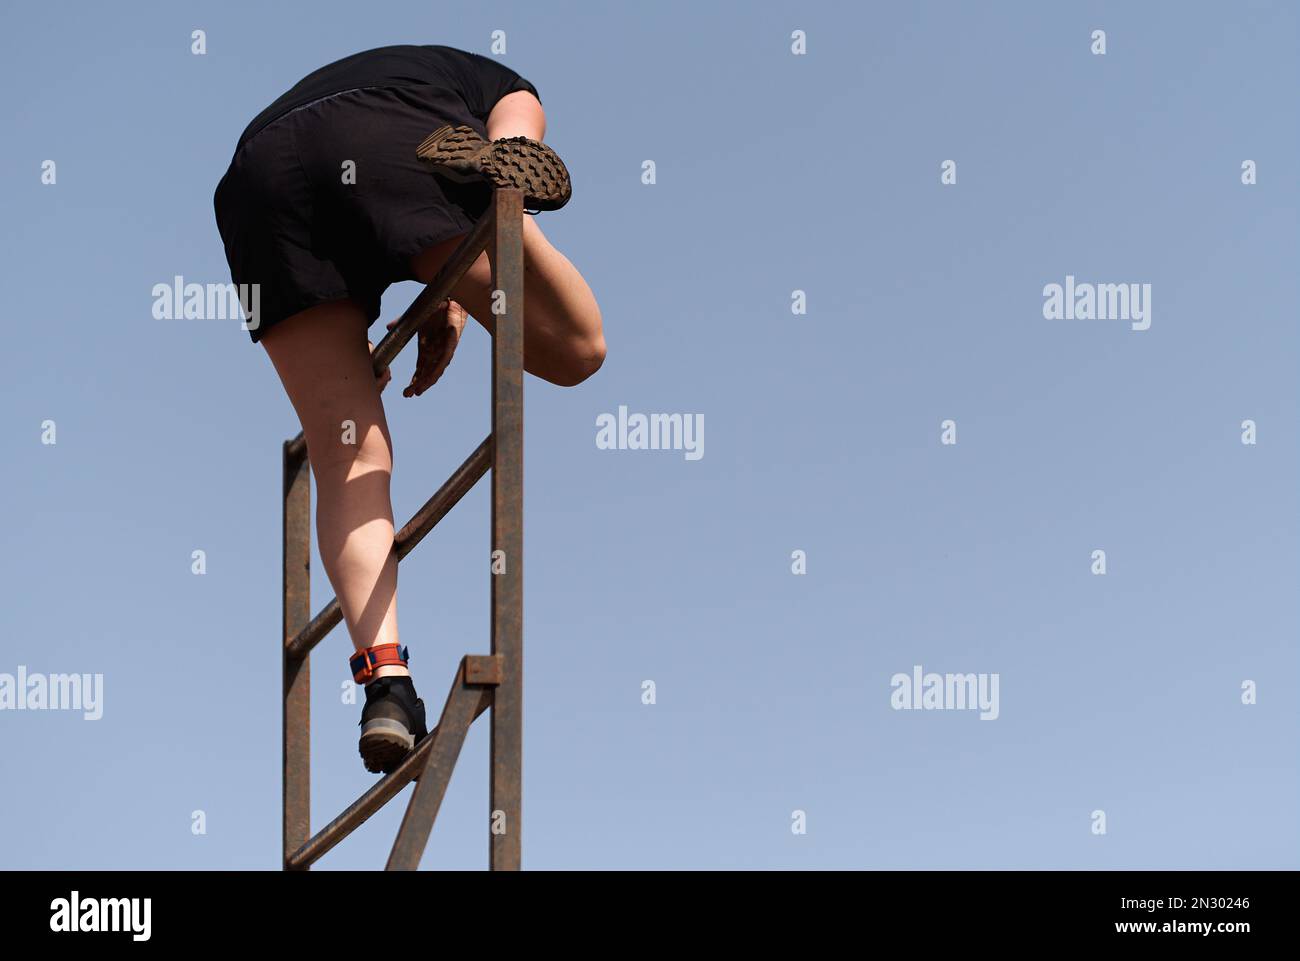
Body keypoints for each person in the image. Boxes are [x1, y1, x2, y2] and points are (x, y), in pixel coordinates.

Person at [213, 44, 605, 773]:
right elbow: (520, 102)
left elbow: (358, 206)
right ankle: (500, 191)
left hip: (256, 181)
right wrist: (510, 155)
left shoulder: (411, 69)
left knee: (347, 451)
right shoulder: (487, 80)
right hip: (388, 135)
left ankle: (385, 682)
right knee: (579, 347)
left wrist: (446, 299)